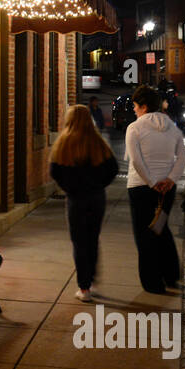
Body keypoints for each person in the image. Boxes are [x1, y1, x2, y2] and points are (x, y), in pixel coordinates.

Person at [50, 104, 119, 302]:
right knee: (93, 239)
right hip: (97, 198)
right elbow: (113, 169)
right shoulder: (98, 142)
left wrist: (69, 188)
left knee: (79, 243)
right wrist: (98, 184)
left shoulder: (63, 143)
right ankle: (93, 280)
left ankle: (84, 288)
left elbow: (55, 171)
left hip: (75, 199)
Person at [124, 84, 185, 293]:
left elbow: (136, 161)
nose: (134, 110)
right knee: (160, 229)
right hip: (166, 192)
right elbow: (183, 156)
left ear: (143, 106)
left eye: (135, 106)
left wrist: (151, 182)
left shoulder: (135, 128)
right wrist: (169, 180)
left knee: (144, 235)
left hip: (141, 189)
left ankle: (152, 282)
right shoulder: (171, 126)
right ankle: (170, 275)